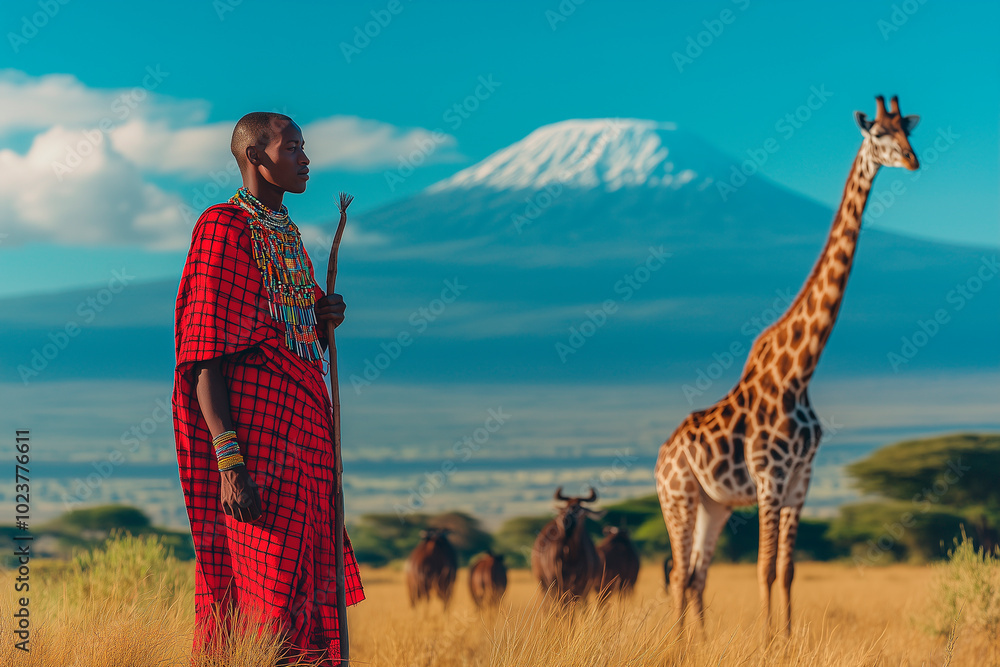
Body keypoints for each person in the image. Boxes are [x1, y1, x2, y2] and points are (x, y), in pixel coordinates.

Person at [172, 111, 364, 665]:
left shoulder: (288, 234)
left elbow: (293, 340)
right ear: (257, 157)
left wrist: (322, 319)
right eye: (293, 148)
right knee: (269, 588)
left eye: (305, 148)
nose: (306, 160)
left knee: (308, 579)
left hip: (307, 438)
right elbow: (204, 355)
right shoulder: (221, 228)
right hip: (256, 445)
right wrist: (230, 463)